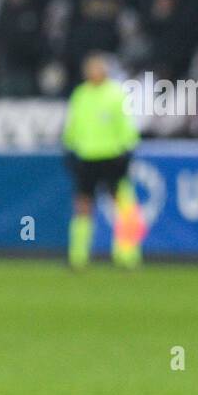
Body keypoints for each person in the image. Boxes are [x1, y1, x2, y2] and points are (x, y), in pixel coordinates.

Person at [62, 54, 143, 268]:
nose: (93, 73)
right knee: (83, 206)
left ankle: (126, 254)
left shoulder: (116, 94)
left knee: (124, 205)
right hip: (87, 156)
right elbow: (73, 125)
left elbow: (127, 125)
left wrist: (126, 149)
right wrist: (69, 147)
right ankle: (78, 256)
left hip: (111, 156)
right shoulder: (81, 94)